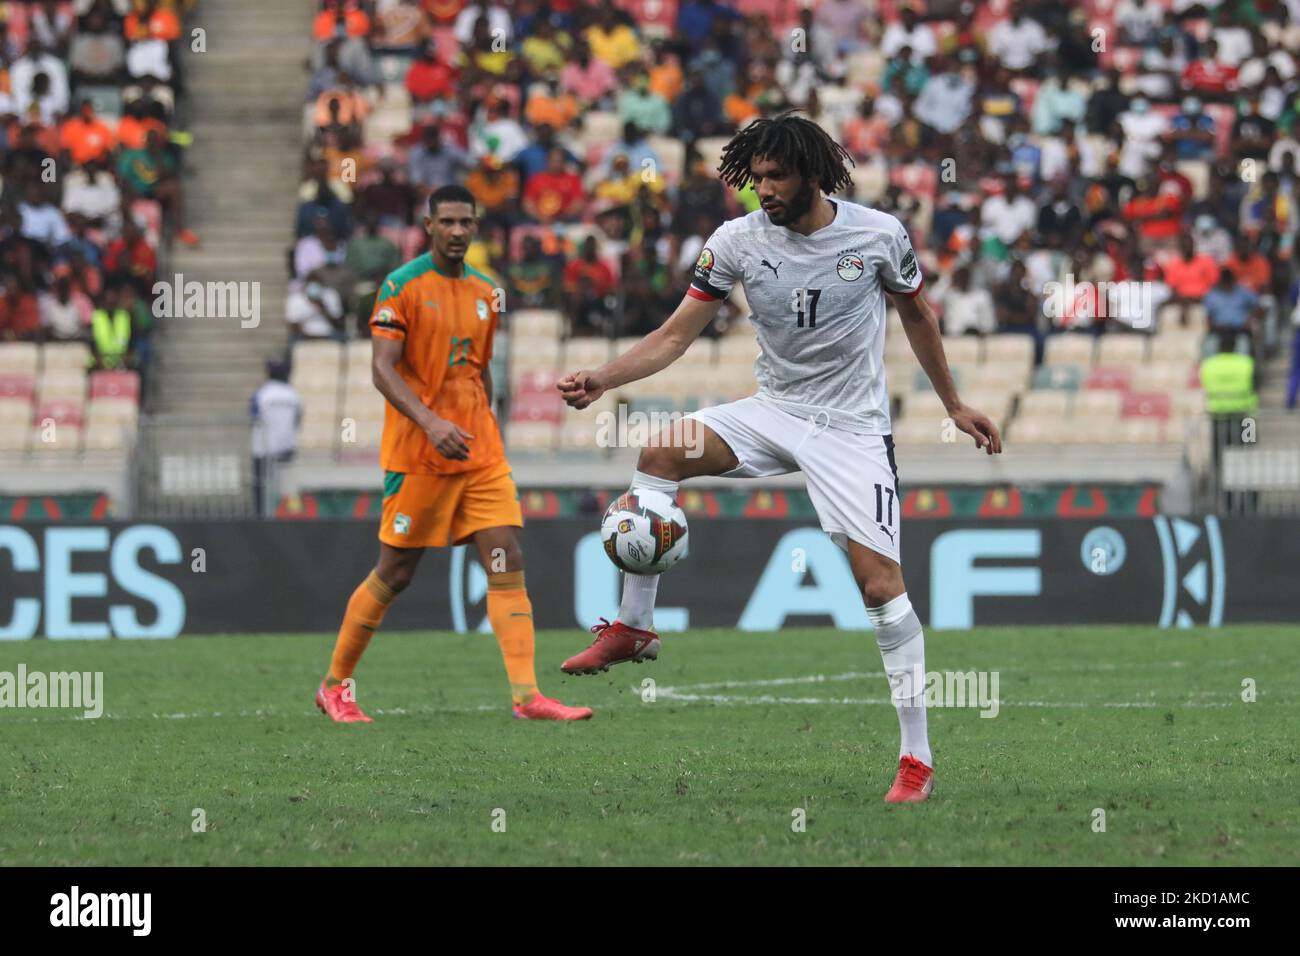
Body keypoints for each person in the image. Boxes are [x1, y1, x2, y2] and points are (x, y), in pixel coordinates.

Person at [555, 114, 1003, 803]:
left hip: (851, 429)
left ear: (813, 175)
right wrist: (603, 379)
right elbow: (677, 336)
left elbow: (918, 314)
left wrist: (952, 404)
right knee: (660, 452)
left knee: (882, 590)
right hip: (774, 410)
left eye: (776, 176)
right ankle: (634, 626)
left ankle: (917, 759)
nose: (763, 188)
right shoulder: (735, 241)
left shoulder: (878, 235)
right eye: (755, 176)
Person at [316, 184, 591, 723]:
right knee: (395, 573)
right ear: (429, 224)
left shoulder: (489, 292)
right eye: (448, 222)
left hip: (480, 453)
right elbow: (381, 369)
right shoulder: (402, 286)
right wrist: (431, 420)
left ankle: (526, 696)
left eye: (467, 222)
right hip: (419, 452)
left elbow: (479, 370)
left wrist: (482, 424)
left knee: (505, 557)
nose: (459, 231)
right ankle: (335, 685)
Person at [250, 360, 302, 517]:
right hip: (286, 447)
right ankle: (289, 516)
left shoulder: (262, 394)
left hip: (263, 449)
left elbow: (253, 417)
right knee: (287, 487)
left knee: (262, 486)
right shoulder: (294, 396)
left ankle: (262, 517)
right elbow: (298, 420)